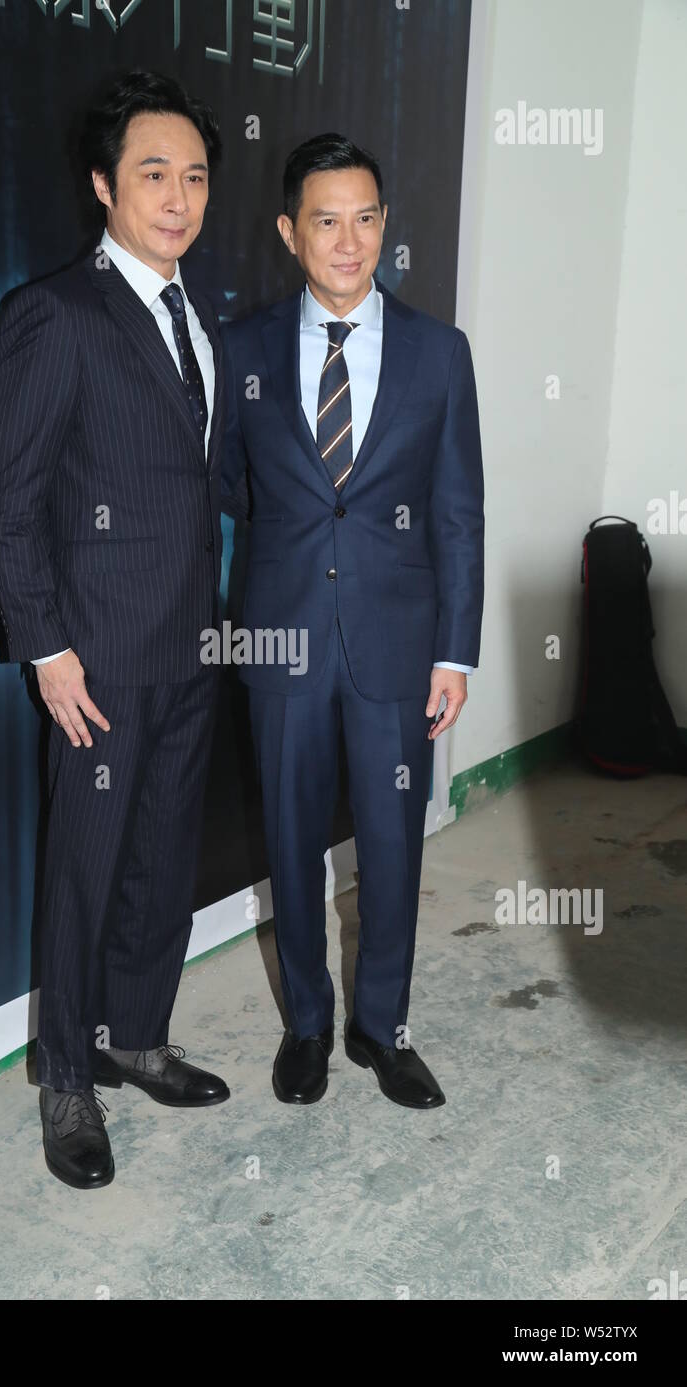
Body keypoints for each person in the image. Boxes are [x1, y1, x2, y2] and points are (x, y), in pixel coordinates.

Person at [0, 71, 229, 1189]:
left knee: (162, 860)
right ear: (101, 185)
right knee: (83, 871)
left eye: (193, 176)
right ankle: (67, 1077)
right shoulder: (56, 313)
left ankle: (137, 1035)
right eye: (151, 174)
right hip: (96, 662)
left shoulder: (197, 320)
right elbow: (7, 497)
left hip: (190, 650)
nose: (176, 198)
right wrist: (47, 648)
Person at [221, 133, 484, 1109]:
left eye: (364, 218)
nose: (347, 241)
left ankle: (382, 1027)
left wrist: (453, 649)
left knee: (391, 842)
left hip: (399, 645)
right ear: (290, 232)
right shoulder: (241, 350)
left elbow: (458, 511)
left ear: (384, 224)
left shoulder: (436, 353)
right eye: (324, 220)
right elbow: (228, 484)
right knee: (289, 845)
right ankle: (305, 1024)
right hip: (283, 634)